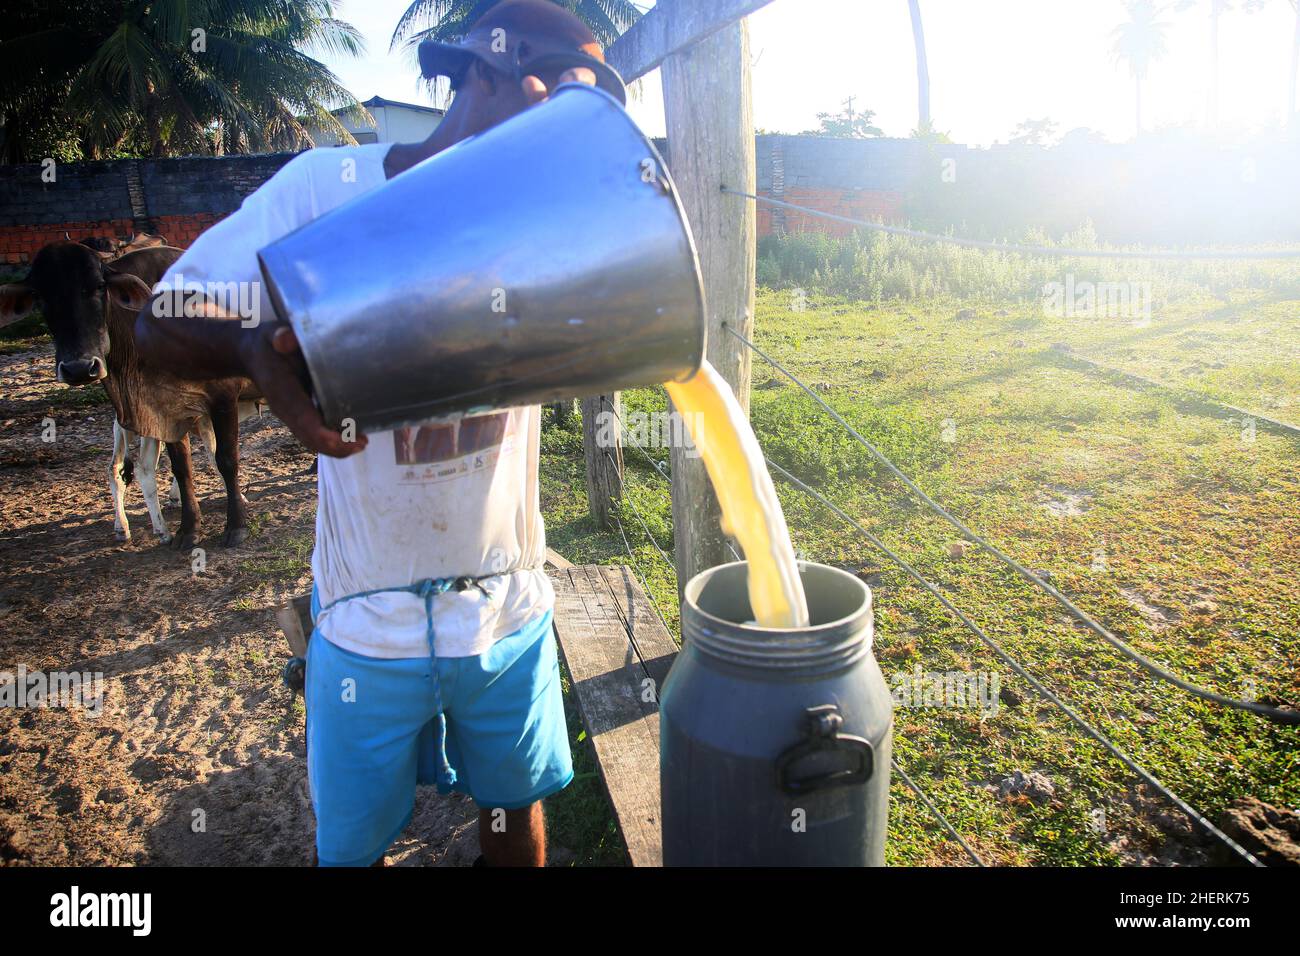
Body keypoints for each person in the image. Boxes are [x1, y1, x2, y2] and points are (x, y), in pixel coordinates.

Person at [134, 0, 627, 867]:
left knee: (513, 819)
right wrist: (253, 346)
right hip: (368, 623)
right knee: (352, 844)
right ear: (482, 72)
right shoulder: (328, 192)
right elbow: (159, 321)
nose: (562, 140)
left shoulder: (544, 222)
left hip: (505, 609)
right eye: (550, 102)